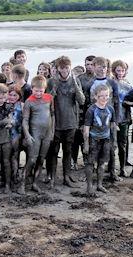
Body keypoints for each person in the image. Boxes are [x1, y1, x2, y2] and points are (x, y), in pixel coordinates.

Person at [45, 56, 84, 188]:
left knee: (68, 150)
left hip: (71, 121)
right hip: (56, 122)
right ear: (57, 68)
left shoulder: (75, 80)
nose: (64, 70)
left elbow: (82, 101)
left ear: (70, 67)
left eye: (67, 68)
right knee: (53, 151)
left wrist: (75, 85)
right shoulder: (51, 81)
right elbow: (47, 101)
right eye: (62, 68)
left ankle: (66, 176)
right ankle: (52, 177)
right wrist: (54, 86)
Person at [21, 75, 54, 194]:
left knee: (41, 159)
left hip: (47, 134)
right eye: (36, 91)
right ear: (32, 89)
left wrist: (52, 132)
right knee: (32, 159)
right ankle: (22, 184)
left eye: (41, 91)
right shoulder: (29, 102)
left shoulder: (49, 98)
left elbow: (52, 115)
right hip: (35, 134)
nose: (39, 93)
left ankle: (35, 183)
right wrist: (27, 135)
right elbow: (25, 120)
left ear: (45, 89)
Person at [82, 85, 116, 196]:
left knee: (102, 163)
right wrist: (86, 144)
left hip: (106, 139)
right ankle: (89, 186)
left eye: (106, 95)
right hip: (93, 139)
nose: (104, 98)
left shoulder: (110, 108)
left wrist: (113, 141)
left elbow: (113, 125)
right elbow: (86, 128)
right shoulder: (91, 110)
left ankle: (100, 185)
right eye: (101, 96)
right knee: (90, 163)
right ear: (96, 96)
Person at [111, 59, 133, 177]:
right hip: (112, 117)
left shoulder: (128, 84)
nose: (120, 73)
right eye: (118, 70)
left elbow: (132, 99)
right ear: (114, 71)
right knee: (111, 144)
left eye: (122, 70)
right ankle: (111, 168)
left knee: (122, 144)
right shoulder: (110, 83)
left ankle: (122, 168)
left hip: (124, 117)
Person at [7, 86, 24, 194]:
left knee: (14, 157)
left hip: (17, 134)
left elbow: (25, 121)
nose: (12, 97)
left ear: (19, 96)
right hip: (5, 135)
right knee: (5, 159)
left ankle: (15, 178)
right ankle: (6, 180)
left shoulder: (21, 105)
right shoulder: (5, 104)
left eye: (15, 95)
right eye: (10, 94)